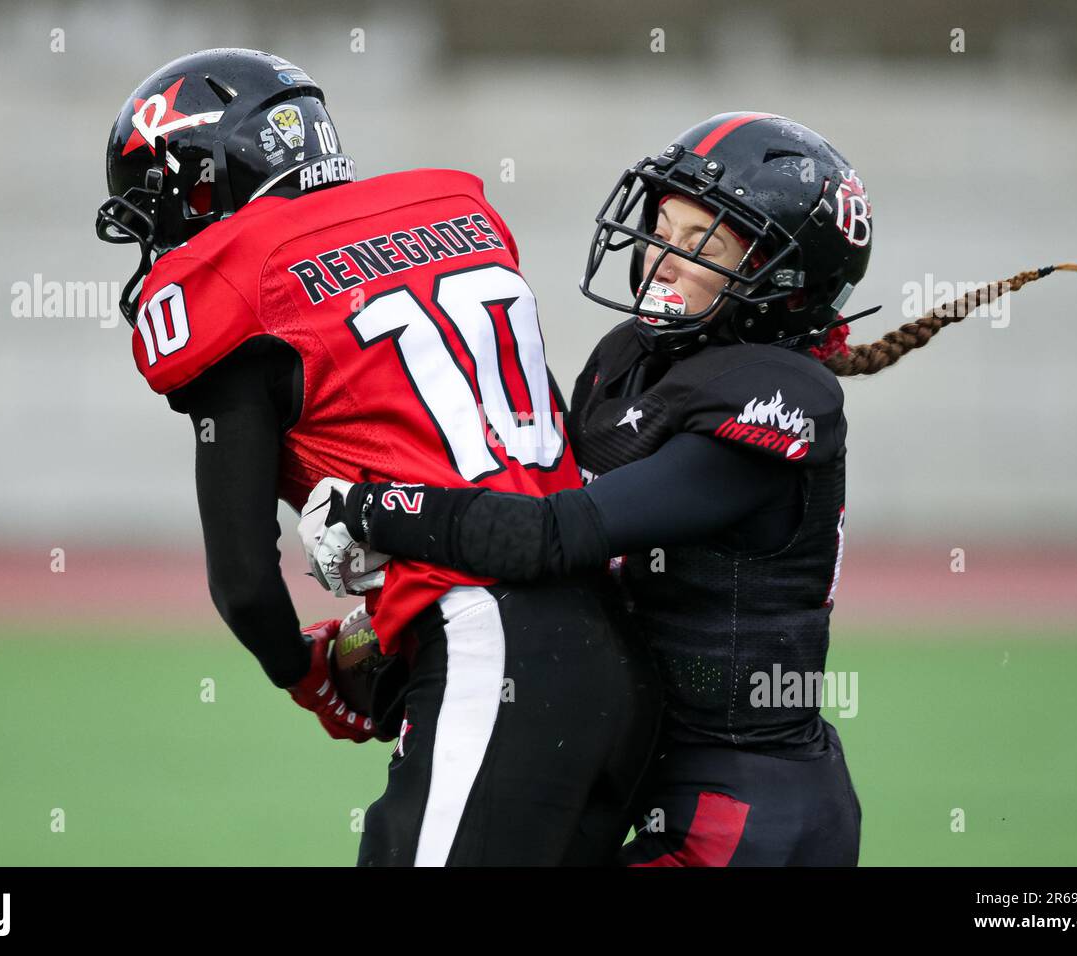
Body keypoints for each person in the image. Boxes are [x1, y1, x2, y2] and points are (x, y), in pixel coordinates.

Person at [301, 112, 1077, 865]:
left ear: (782, 278)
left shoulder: (777, 394)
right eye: (661, 227)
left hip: (745, 803)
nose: (661, 255)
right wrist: (391, 634)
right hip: (650, 770)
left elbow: (557, 533)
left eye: (704, 242)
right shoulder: (632, 357)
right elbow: (558, 551)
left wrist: (377, 508)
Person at [94, 48, 659, 866]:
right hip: (611, 645)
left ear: (209, 180)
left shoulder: (244, 281)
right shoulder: (452, 212)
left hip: (486, 648)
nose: (162, 240)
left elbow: (246, 582)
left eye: (162, 205)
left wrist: (303, 671)